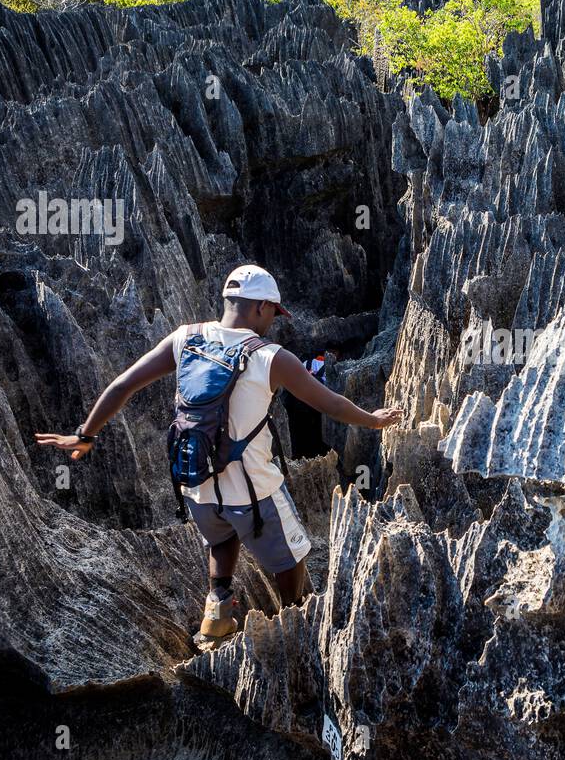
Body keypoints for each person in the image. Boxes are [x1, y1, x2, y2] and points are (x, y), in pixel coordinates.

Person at [34, 264, 402, 649]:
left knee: (221, 538)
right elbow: (331, 404)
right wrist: (372, 421)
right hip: (256, 494)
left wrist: (84, 435)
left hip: (197, 488)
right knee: (292, 558)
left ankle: (216, 615)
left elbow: (123, 385)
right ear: (261, 307)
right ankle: (297, 624)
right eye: (273, 314)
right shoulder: (271, 357)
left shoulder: (185, 338)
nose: (272, 324)